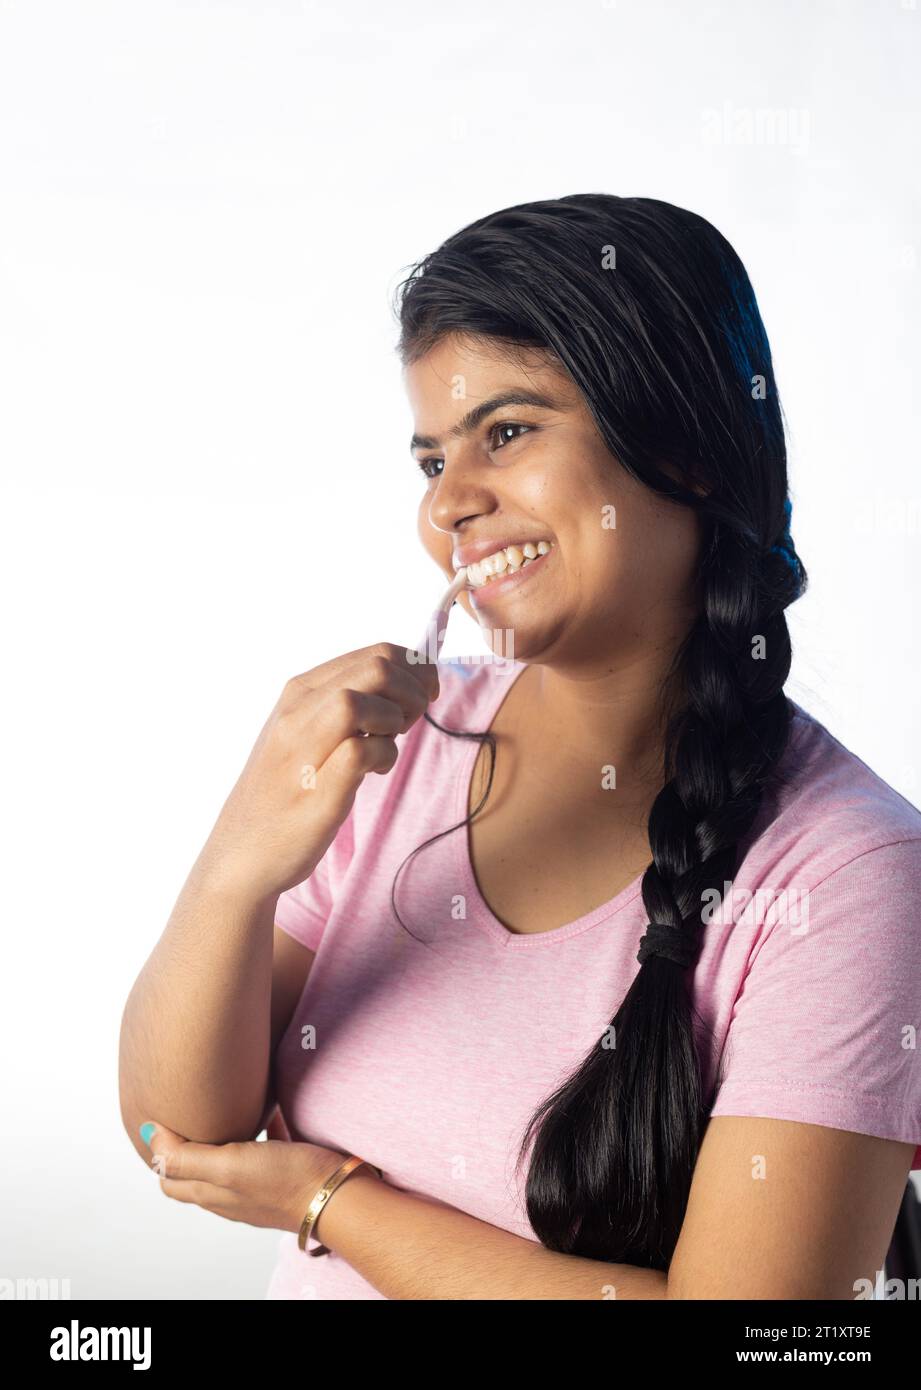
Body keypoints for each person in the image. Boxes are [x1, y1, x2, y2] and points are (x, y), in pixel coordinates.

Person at [121, 195, 921, 1300]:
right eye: (429, 460)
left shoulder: (849, 874)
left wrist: (330, 1202)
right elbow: (179, 1129)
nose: (449, 502)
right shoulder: (403, 755)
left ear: (685, 447)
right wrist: (237, 864)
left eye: (506, 432)